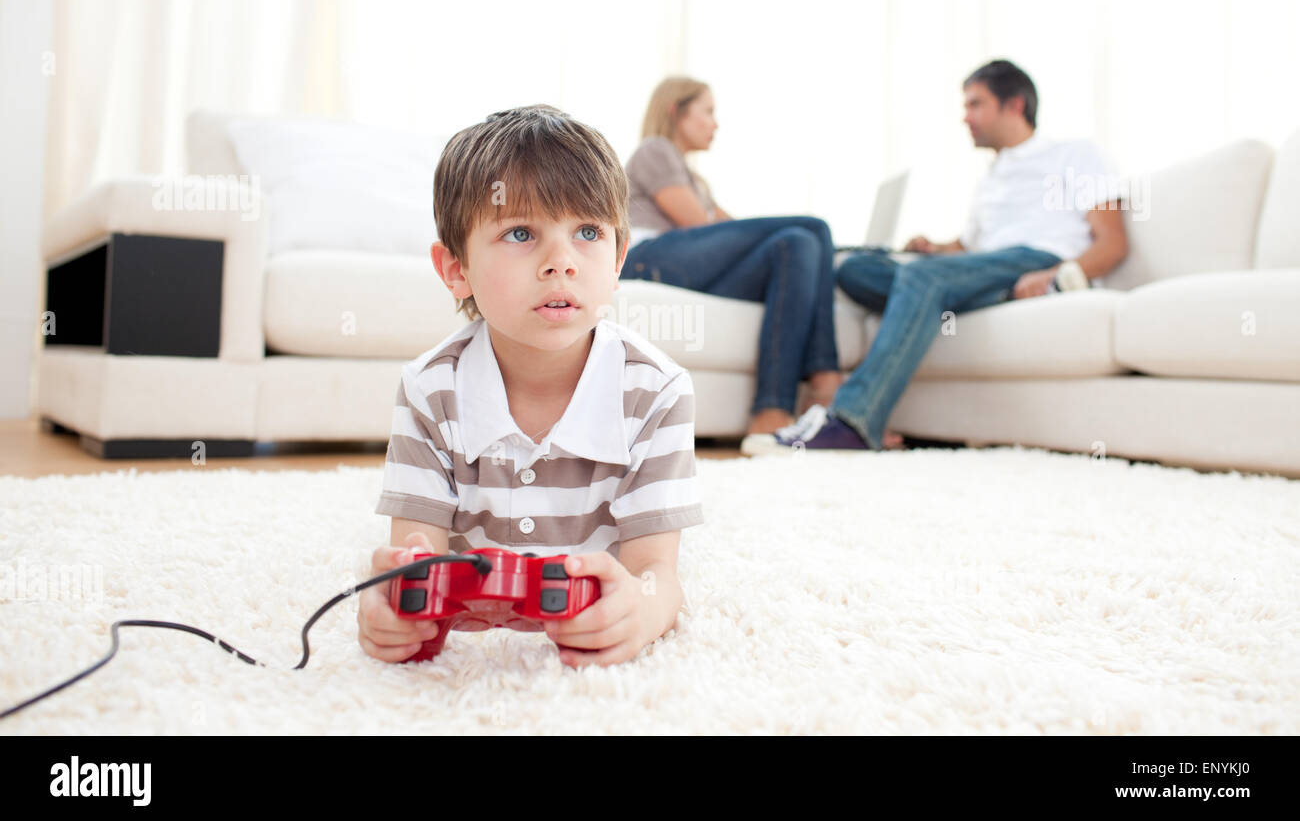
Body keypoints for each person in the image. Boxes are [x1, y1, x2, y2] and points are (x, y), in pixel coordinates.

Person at [358, 105, 705, 668]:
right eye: (521, 232)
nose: (561, 262)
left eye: (587, 232)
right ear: (455, 270)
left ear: (618, 259)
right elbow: (414, 555)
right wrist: (395, 609)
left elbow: (656, 573)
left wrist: (638, 614)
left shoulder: (656, 391)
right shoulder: (431, 388)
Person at [747, 59, 1129, 454]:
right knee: (854, 269)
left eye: (975, 104)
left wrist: (1055, 277)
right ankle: (970, 294)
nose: (966, 117)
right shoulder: (990, 178)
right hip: (988, 272)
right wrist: (936, 249)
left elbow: (1113, 243)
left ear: (1014, 105)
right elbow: (968, 247)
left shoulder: (1074, 154)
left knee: (922, 279)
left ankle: (852, 421)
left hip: (1037, 258)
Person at [619, 76, 845, 436]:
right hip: (651, 259)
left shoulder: (696, 181)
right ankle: (826, 382)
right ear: (676, 111)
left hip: (691, 268)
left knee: (797, 243)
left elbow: (731, 230)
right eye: (707, 112)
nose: (715, 123)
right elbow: (697, 223)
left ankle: (770, 413)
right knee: (815, 227)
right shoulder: (654, 149)